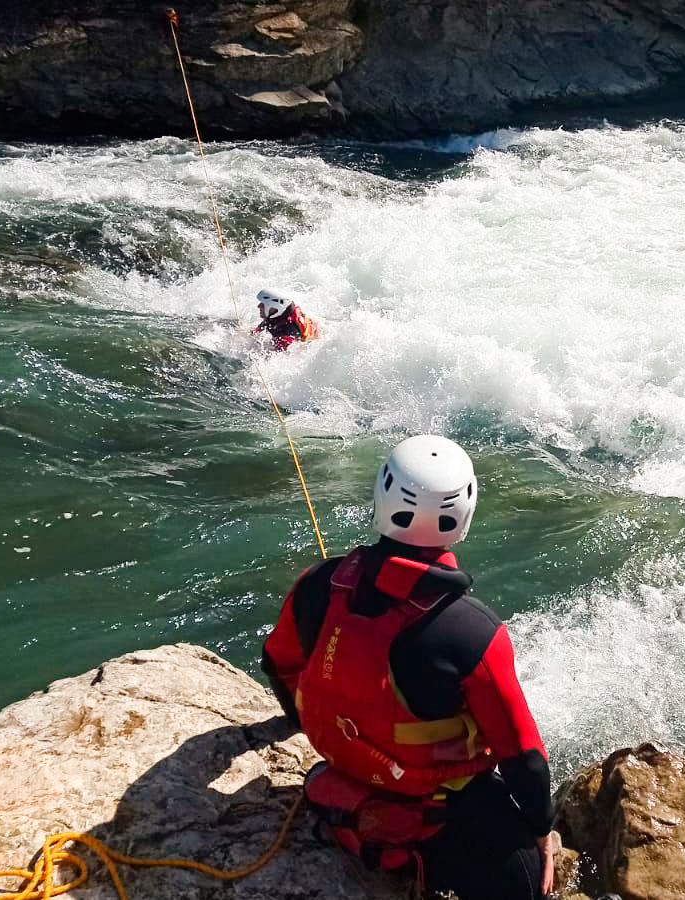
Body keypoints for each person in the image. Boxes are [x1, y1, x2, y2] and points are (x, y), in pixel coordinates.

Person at [260, 435, 554, 900]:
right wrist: (542, 829)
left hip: (343, 787)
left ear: (382, 496)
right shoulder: (472, 631)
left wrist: (303, 724)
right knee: (527, 878)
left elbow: (277, 663)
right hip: (439, 819)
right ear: (464, 515)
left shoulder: (318, 584)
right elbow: (525, 760)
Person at [253, 288, 319, 351]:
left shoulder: (286, 337)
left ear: (275, 306)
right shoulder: (282, 313)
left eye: (263, 304)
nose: (259, 306)